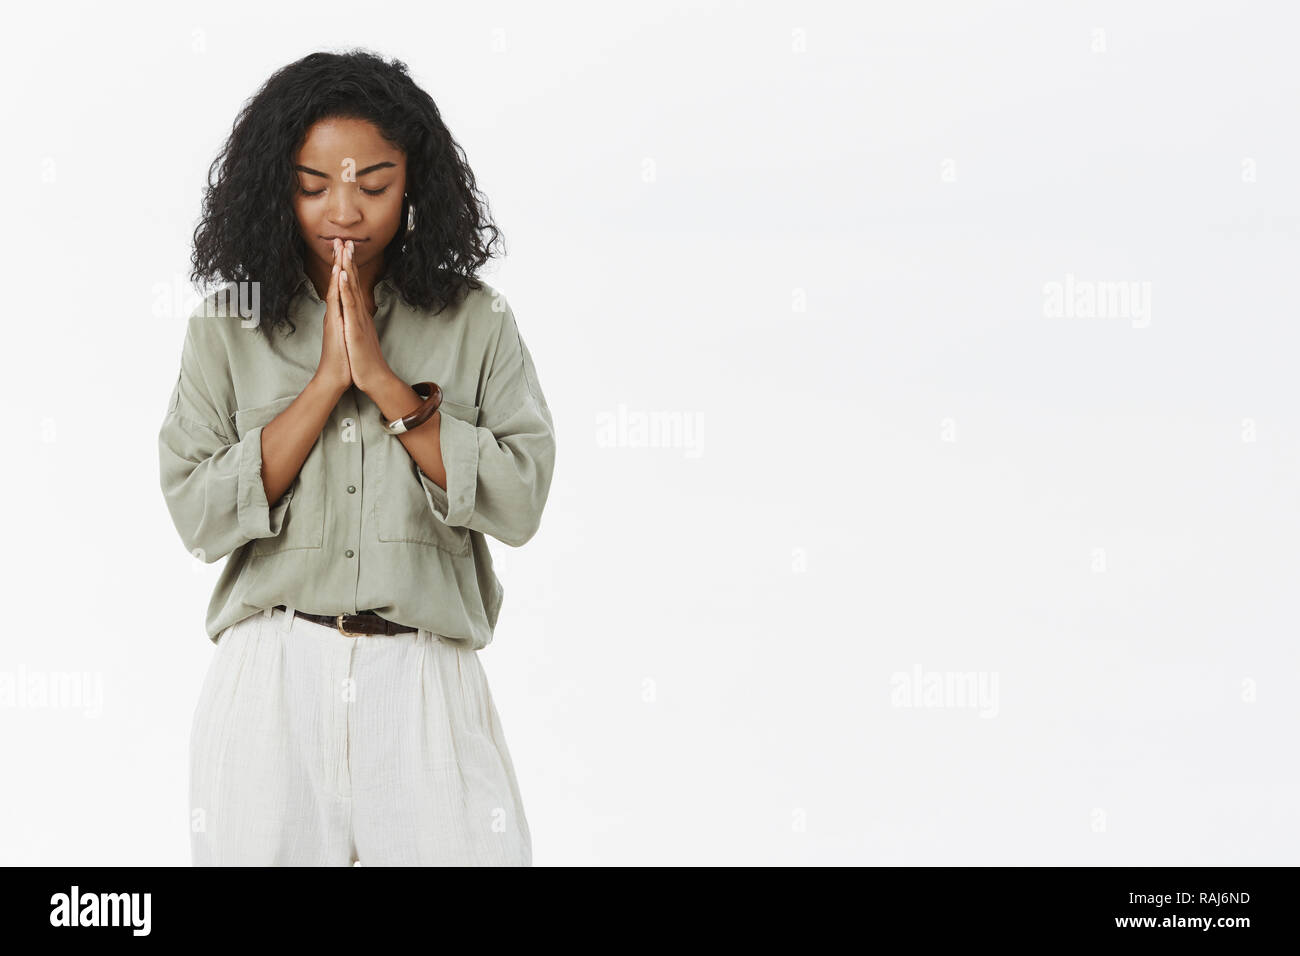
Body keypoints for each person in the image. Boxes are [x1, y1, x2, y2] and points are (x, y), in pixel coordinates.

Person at [157, 49, 556, 866]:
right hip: (272, 682)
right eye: (313, 185)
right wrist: (324, 386)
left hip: (423, 679)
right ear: (276, 184)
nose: (344, 209)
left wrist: (385, 386)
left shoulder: (476, 322)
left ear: (415, 182)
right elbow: (198, 515)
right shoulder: (224, 327)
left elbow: (519, 501)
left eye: (373, 185)